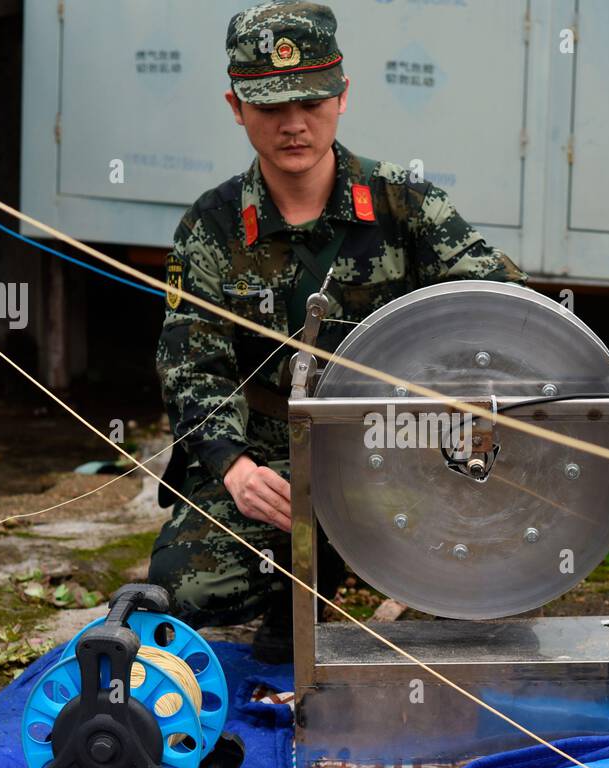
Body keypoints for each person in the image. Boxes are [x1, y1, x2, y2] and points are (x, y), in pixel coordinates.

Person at [150, 0, 527, 662]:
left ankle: (344, 557)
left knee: (488, 591)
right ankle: (302, 568)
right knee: (190, 587)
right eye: (269, 106)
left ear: (342, 96)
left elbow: (501, 305)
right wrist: (233, 468)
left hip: (399, 444)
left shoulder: (405, 203)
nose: (294, 124)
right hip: (272, 452)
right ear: (237, 108)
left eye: (312, 100)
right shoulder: (211, 227)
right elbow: (191, 366)